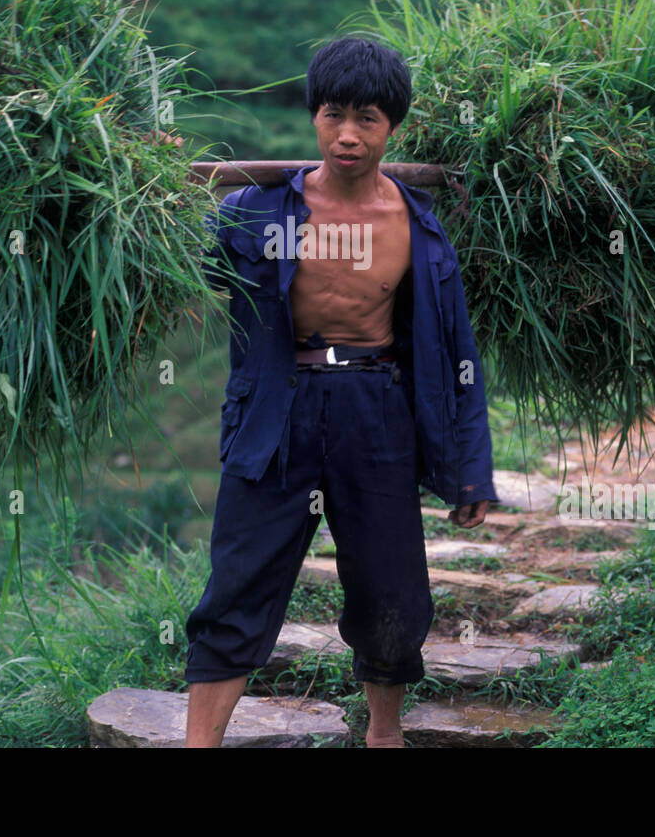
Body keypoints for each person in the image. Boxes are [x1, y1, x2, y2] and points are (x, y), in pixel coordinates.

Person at [181, 37, 498, 747]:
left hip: (376, 410)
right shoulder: (255, 211)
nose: (348, 134)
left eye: (368, 119)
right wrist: (133, 182)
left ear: (394, 127)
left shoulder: (419, 228)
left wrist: (471, 468)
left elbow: (456, 353)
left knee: (392, 589)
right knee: (238, 582)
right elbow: (164, 254)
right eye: (333, 115)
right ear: (314, 117)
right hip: (274, 412)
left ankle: (382, 736)